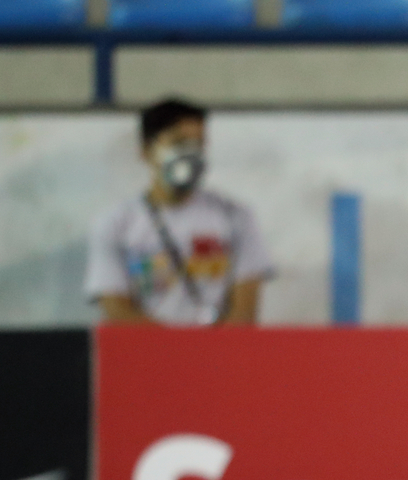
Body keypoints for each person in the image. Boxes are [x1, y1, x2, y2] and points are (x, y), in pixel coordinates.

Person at [86, 98, 272, 326]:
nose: (190, 154)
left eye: (198, 144)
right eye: (179, 143)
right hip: (149, 356)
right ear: (146, 151)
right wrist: (174, 352)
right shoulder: (116, 223)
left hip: (219, 355)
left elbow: (244, 310)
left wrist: (212, 353)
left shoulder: (236, 216)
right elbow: (116, 306)